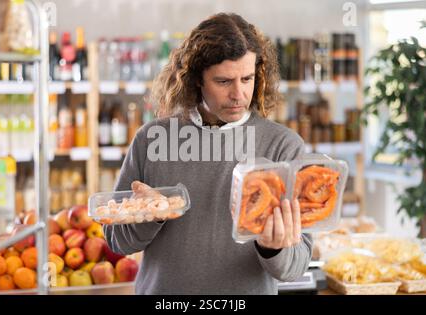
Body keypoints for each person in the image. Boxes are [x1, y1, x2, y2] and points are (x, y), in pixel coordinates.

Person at [103, 13, 312, 295]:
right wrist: (151, 215)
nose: (239, 94)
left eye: (247, 78)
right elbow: (117, 241)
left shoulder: (283, 146)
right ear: (196, 80)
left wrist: (273, 248)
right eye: (224, 81)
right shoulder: (150, 140)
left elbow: (296, 265)